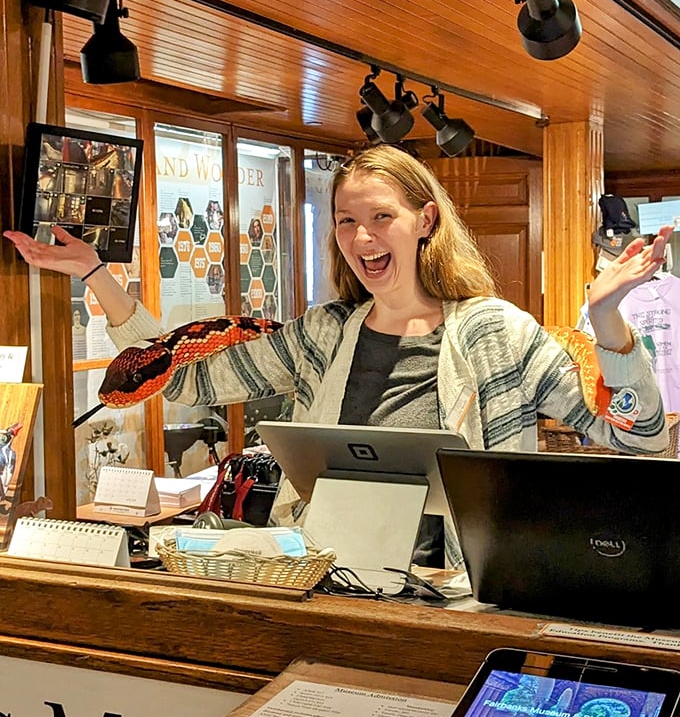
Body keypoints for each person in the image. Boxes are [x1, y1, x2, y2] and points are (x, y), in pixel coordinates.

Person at [4, 145, 671, 568]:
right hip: (331, 579)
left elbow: (639, 440)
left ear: (426, 221)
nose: (362, 237)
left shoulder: (497, 333)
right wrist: (97, 274)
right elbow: (184, 382)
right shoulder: (323, 335)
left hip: (463, 594)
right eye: (347, 221)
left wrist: (608, 318)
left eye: (381, 217)